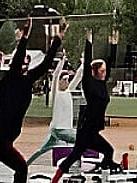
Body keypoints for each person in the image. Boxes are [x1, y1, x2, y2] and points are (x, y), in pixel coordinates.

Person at [0, 19, 64, 183]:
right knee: (21, 168)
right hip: (1, 138)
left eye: (28, 61)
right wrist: (24, 38)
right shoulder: (10, 79)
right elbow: (18, 59)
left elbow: (45, 64)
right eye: (23, 61)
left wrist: (58, 40)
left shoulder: (25, 80)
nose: (25, 63)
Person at [51, 30, 121, 183]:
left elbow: (111, 63)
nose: (105, 73)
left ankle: (104, 172)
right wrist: (89, 41)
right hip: (86, 129)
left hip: (92, 129)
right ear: (94, 72)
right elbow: (89, 59)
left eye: (105, 71)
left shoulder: (102, 83)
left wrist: (113, 43)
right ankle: (56, 179)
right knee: (89, 153)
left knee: (103, 151)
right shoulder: (89, 84)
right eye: (102, 71)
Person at [26, 53, 81, 165]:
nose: (67, 82)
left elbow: (79, 76)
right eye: (64, 80)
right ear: (60, 81)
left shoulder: (69, 91)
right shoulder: (56, 93)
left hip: (57, 130)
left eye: (67, 80)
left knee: (41, 151)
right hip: (60, 130)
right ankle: (75, 164)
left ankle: (25, 165)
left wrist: (84, 63)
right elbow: (56, 75)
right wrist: (62, 62)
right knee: (83, 139)